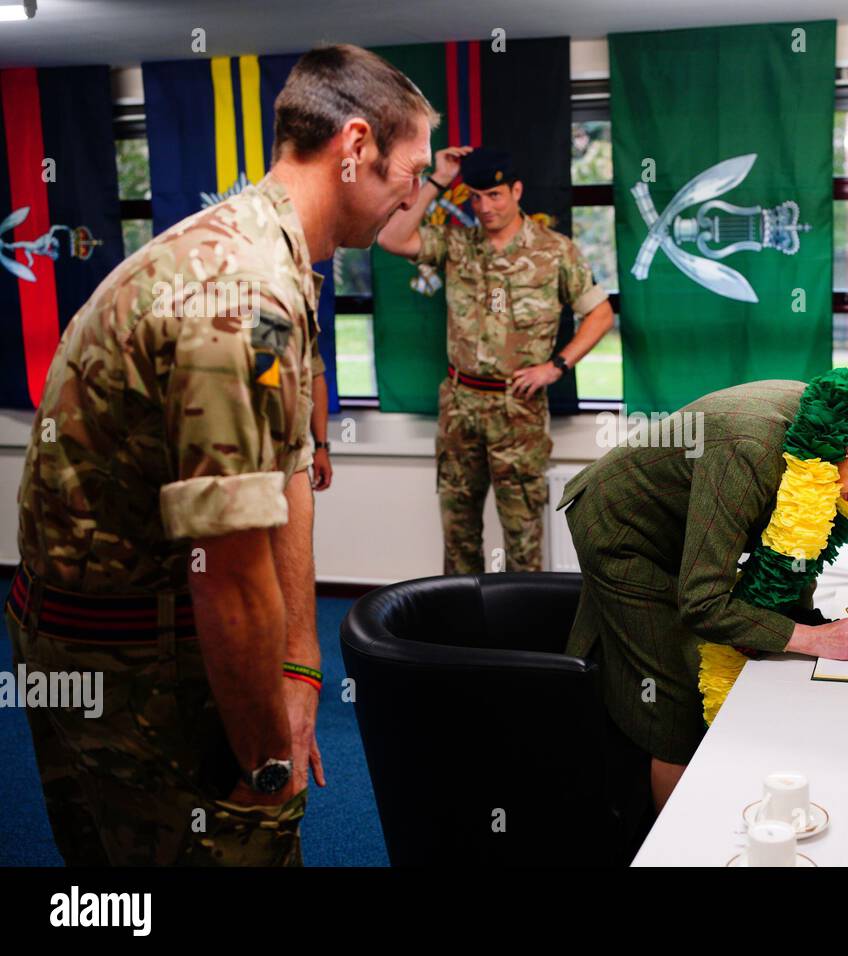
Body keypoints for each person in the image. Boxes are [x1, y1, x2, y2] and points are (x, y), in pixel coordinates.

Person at [4, 44, 437, 865]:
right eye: (407, 172)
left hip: (142, 629)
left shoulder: (275, 259)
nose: (409, 198)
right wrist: (268, 771)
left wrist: (301, 663)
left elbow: (283, 469)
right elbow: (228, 570)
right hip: (132, 665)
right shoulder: (240, 295)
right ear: (354, 148)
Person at [559, 374, 848, 811]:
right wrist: (808, 638)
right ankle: (671, 840)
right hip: (622, 529)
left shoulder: (832, 427)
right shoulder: (749, 450)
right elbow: (703, 604)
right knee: (674, 690)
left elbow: (792, 544)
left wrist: (802, 622)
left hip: (676, 517)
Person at [377, 146, 615, 574]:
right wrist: (437, 180)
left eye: (495, 195)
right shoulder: (456, 244)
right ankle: (457, 632)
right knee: (458, 533)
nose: (485, 207)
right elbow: (391, 238)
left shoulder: (555, 252)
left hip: (517, 410)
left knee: (523, 537)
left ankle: (521, 635)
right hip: (460, 403)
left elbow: (599, 313)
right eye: (476, 197)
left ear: (517, 190)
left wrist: (556, 367)